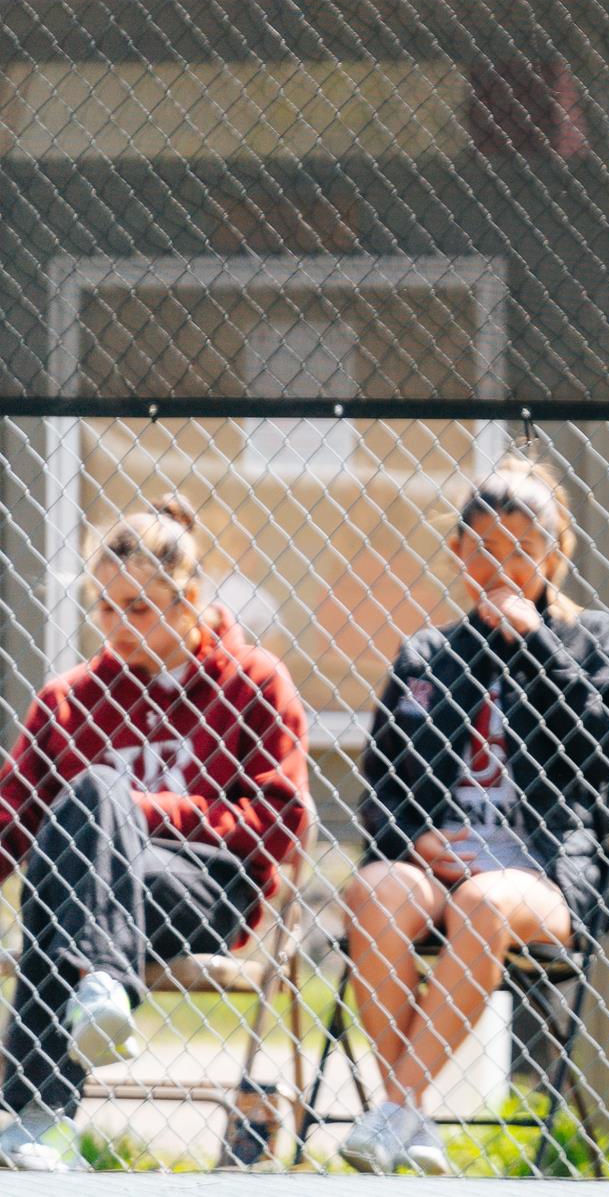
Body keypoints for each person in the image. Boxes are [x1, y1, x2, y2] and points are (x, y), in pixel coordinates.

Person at [340, 458, 609, 1174]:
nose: (501, 565)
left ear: (554, 554)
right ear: (458, 555)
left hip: (543, 873)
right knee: (376, 888)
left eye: (521, 549)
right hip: (440, 863)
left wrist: (533, 643)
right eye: (483, 549)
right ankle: (406, 1117)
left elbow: (600, 748)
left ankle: (398, 1106)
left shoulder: (589, 638)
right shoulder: (430, 653)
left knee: (482, 900)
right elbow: (380, 780)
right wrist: (410, 836)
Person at [0, 499, 310, 1172]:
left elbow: (280, 824)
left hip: (206, 886)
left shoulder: (254, 680)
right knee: (85, 809)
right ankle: (101, 991)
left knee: (96, 797)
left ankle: (34, 1116)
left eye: (138, 608)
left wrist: (151, 809)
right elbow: (11, 814)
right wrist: (112, 808)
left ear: (189, 597)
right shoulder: (70, 698)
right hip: (93, 889)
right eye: (105, 608)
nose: (116, 627)